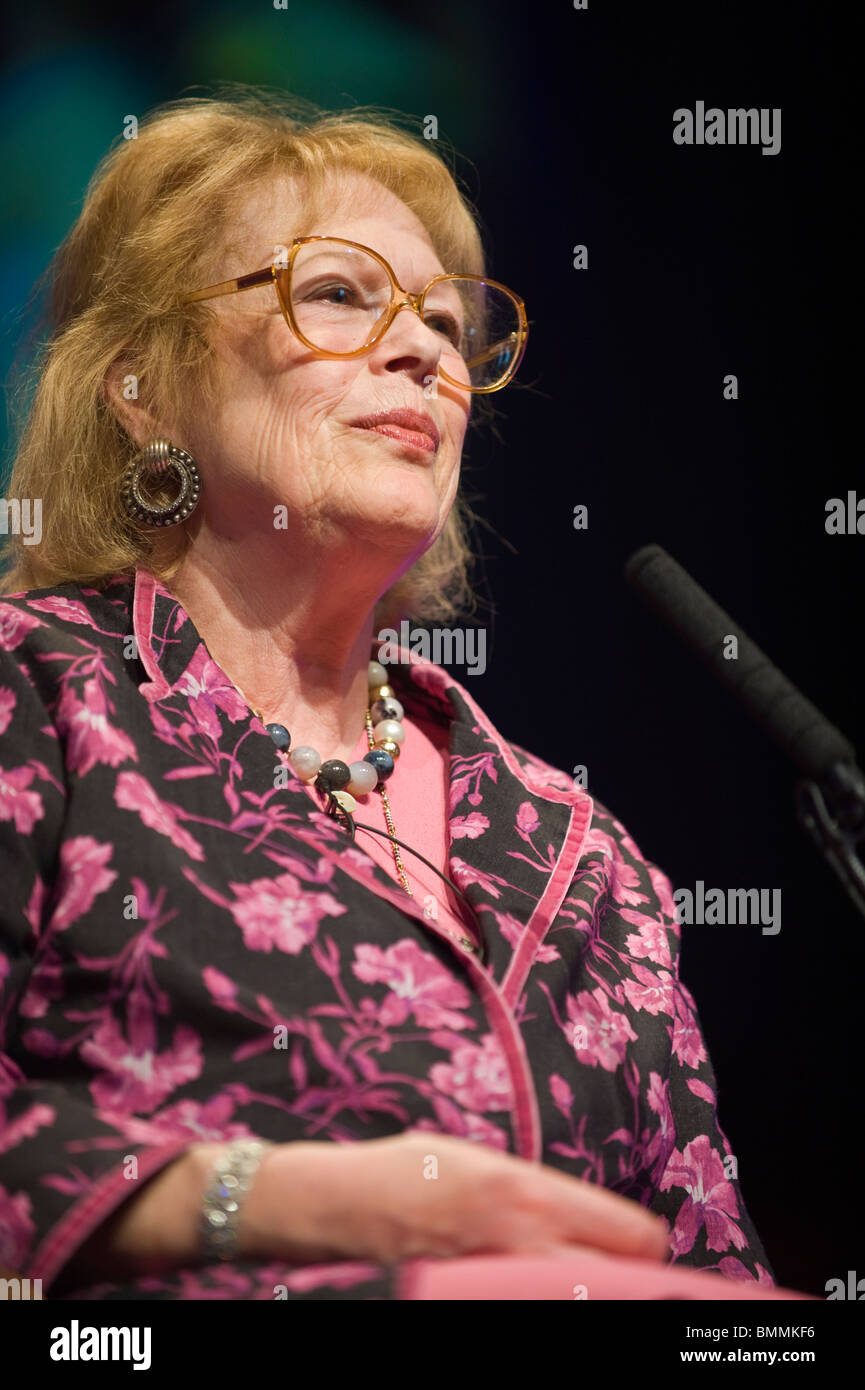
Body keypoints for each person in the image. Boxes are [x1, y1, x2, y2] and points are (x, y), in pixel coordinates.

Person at [0, 87, 777, 1301]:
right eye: (340, 294)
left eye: (444, 323)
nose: (425, 352)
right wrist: (278, 1201)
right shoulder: (39, 694)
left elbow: (713, 1278)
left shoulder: (583, 854)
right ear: (141, 380)